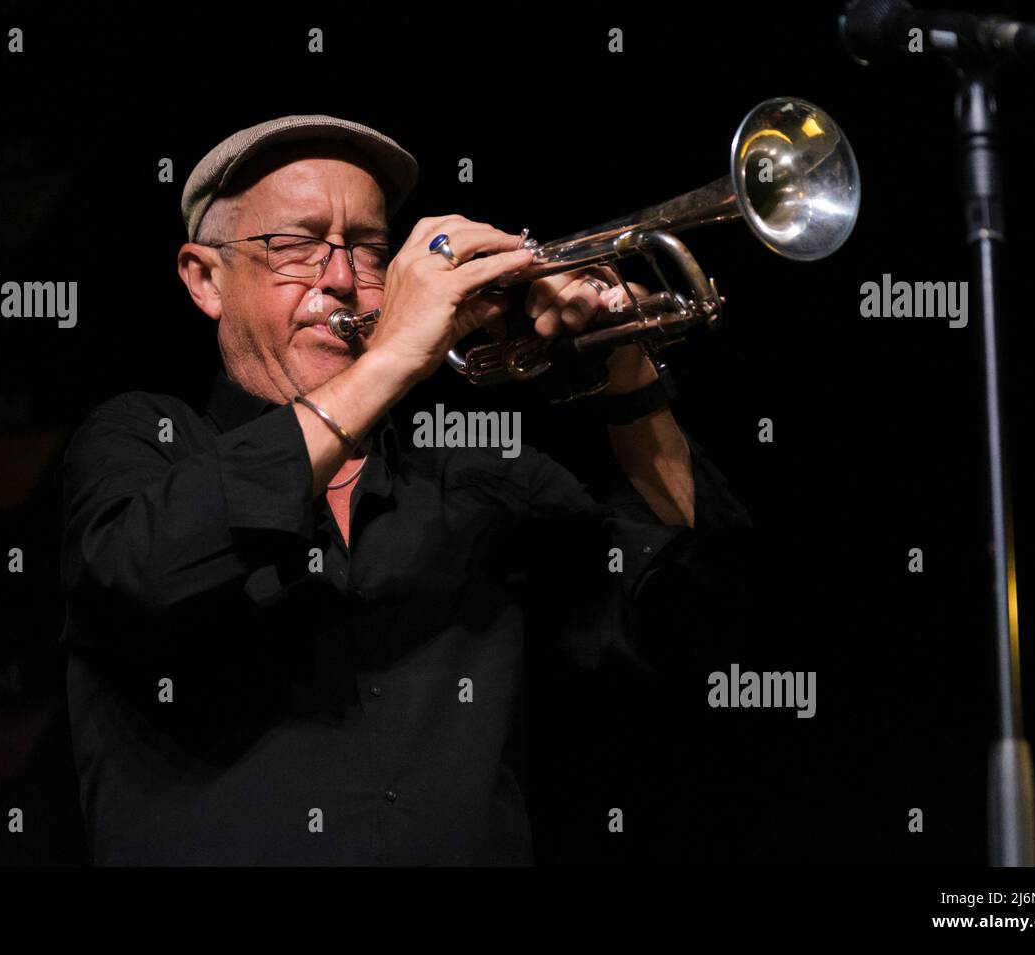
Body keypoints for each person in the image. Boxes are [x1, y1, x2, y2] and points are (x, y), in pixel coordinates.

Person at [57, 114, 751, 865]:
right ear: (204, 278)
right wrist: (393, 358)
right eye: (295, 245)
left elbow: (701, 612)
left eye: (367, 247)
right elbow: (142, 571)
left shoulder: (484, 482)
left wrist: (624, 363)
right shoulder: (140, 442)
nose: (341, 278)